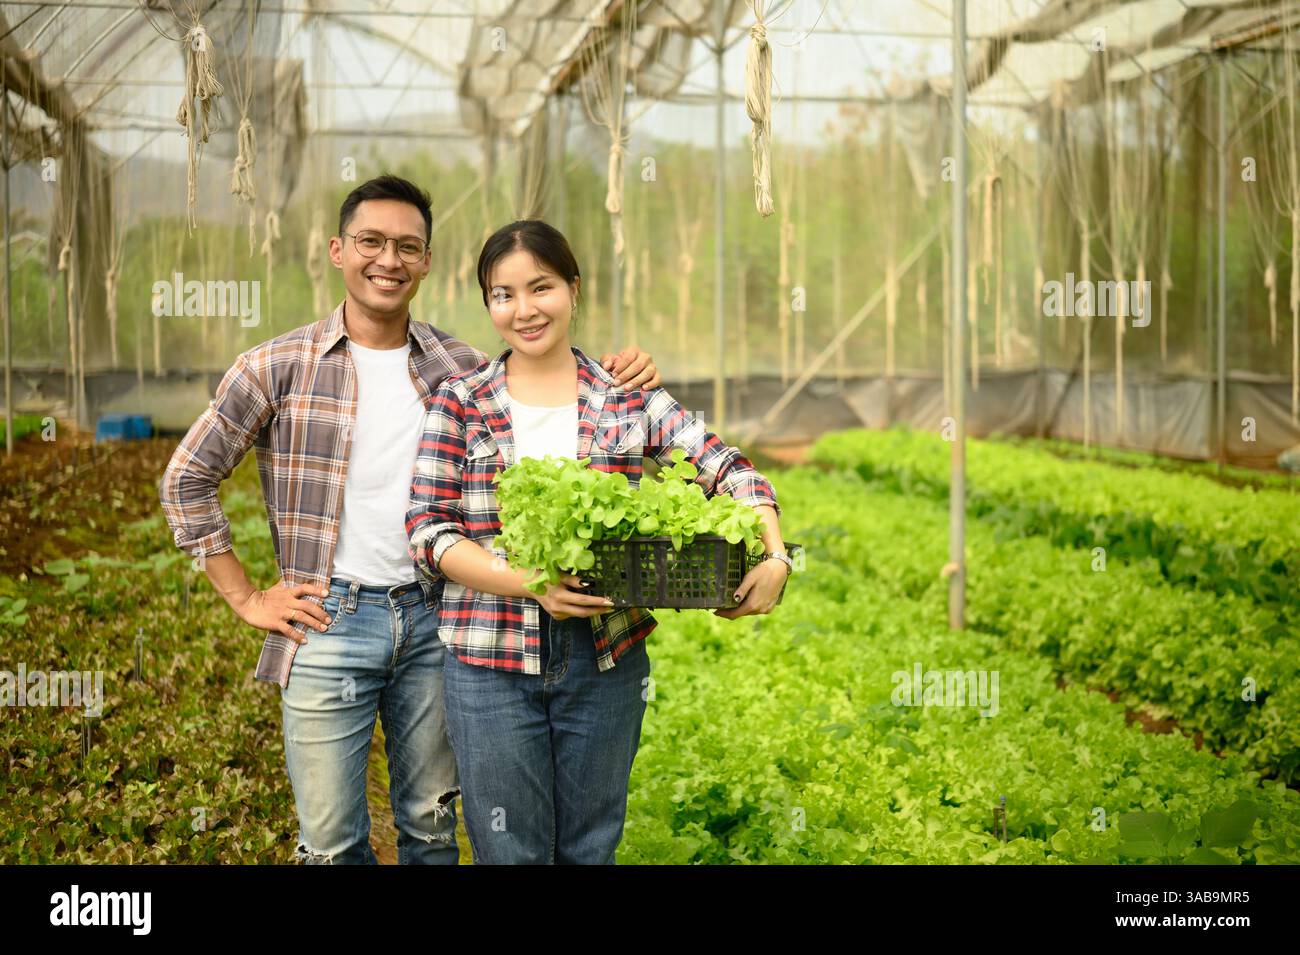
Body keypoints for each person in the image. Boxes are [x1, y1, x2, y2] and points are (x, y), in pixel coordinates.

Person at [158, 176, 662, 864]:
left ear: (426, 262)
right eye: (370, 242)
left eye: (407, 247)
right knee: (331, 844)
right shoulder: (276, 366)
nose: (388, 260)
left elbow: (547, 395)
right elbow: (187, 478)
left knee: (430, 830)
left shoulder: (461, 367)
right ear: (337, 250)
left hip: (440, 623)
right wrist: (246, 596)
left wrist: (618, 370)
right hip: (327, 618)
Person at [406, 218, 792, 864]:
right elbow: (428, 529)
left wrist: (776, 553)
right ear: (488, 305)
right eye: (503, 294)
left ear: (574, 289)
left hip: (605, 661)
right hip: (489, 662)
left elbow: (731, 470)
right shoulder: (461, 402)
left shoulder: (627, 396)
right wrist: (528, 581)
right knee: (509, 851)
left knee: (589, 848)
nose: (524, 309)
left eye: (541, 287)